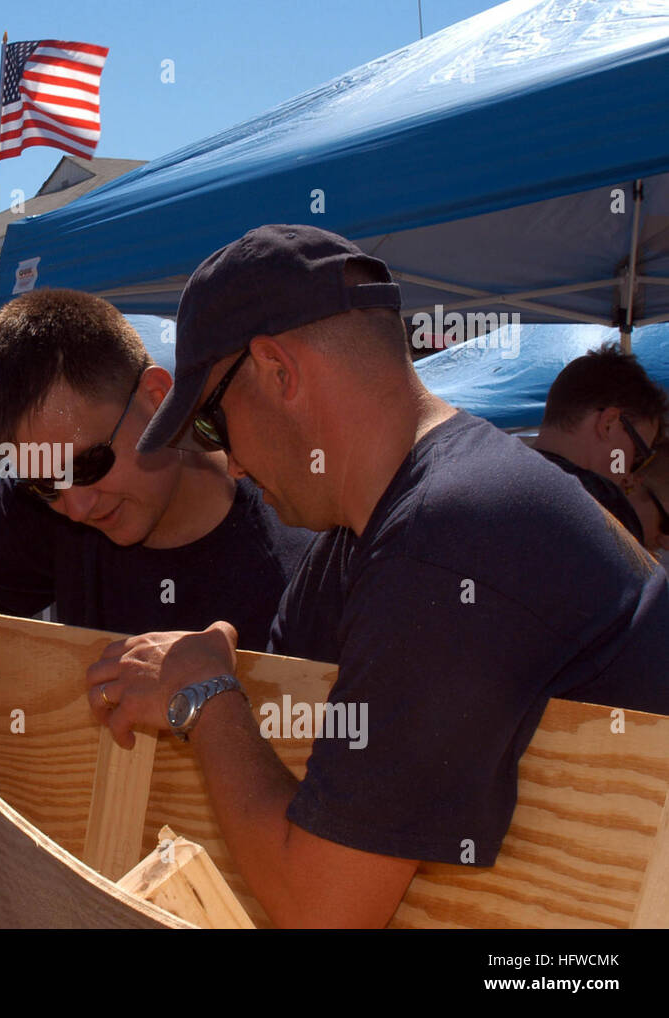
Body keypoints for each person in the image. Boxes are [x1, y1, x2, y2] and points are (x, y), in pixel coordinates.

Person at [91, 224, 669, 928]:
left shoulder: (453, 534)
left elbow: (322, 910)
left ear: (278, 371)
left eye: (212, 425)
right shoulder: (365, 536)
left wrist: (205, 697)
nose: (229, 462)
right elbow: (291, 736)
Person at [0, 288, 313, 721]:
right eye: (43, 485)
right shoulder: (49, 505)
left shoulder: (303, 532)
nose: (76, 507)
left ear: (157, 397)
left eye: (91, 463)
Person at [532, 343, 667, 545]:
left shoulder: (490, 475)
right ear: (609, 424)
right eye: (637, 455)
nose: (628, 474)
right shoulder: (601, 504)